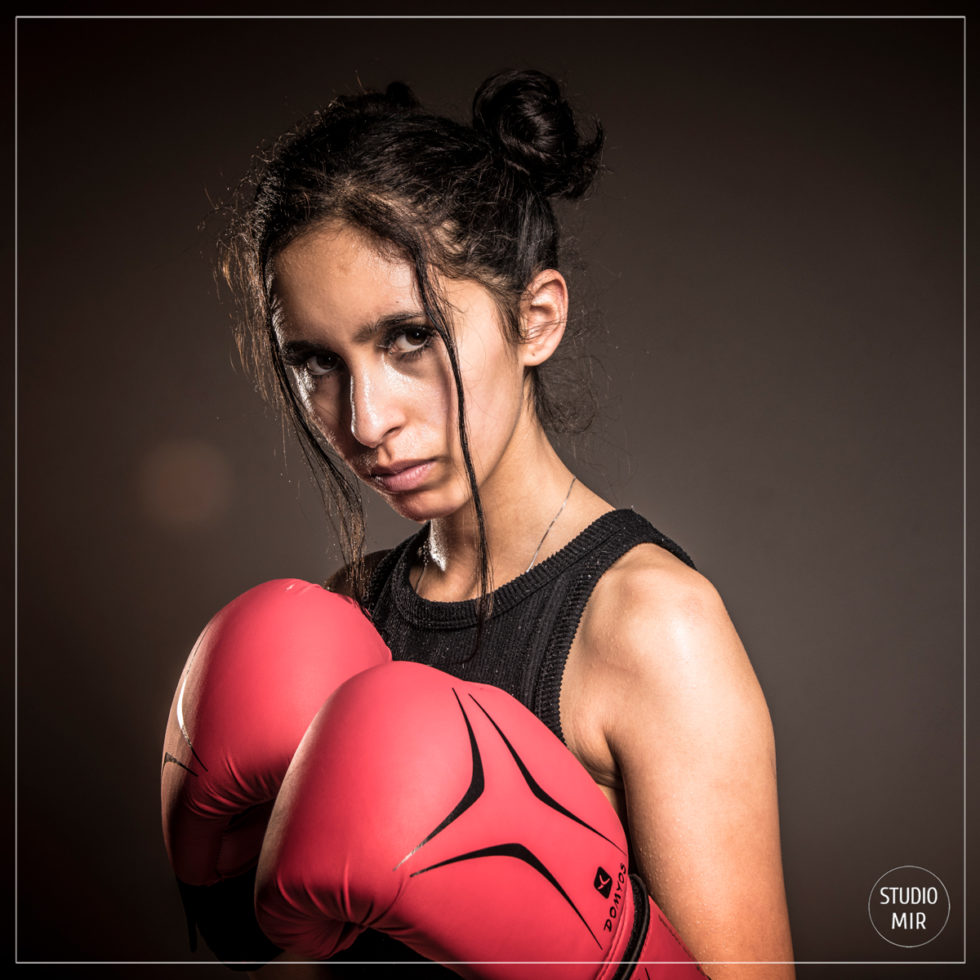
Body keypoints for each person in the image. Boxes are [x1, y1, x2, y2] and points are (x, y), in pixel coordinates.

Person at [165, 69, 794, 979]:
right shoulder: (348, 610)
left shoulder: (652, 628)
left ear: (535, 320)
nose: (367, 418)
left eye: (408, 337)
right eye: (316, 362)